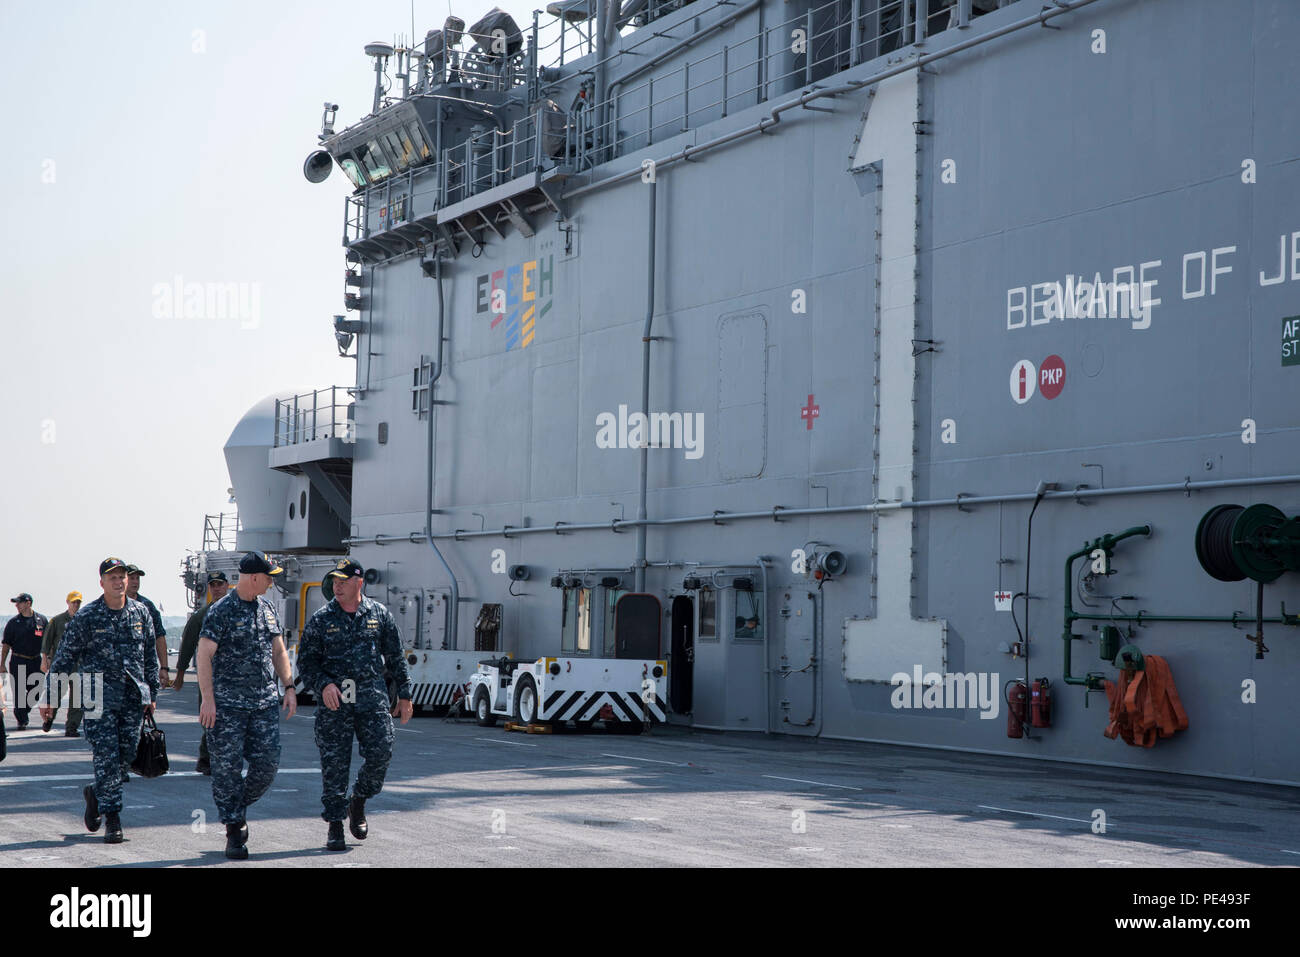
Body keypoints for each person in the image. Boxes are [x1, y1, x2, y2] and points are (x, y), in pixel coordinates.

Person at [297, 558, 412, 852]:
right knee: (334, 765)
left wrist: (405, 695)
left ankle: (358, 800)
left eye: (344, 581)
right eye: (335, 580)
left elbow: (396, 656)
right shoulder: (322, 619)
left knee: (381, 753)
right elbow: (306, 663)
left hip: (371, 697)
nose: (337, 585)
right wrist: (324, 685)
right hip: (336, 702)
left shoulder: (378, 615)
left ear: (359, 582)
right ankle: (335, 825)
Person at [43, 558, 159, 844]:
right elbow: (64, 658)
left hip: (132, 698)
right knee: (107, 757)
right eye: (113, 578)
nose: (119, 582)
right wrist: (50, 697)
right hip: (96, 698)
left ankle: (96, 793)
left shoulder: (141, 613)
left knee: (126, 757)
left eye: (122, 577)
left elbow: (149, 657)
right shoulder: (88, 616)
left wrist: (152, 693)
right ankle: (113, 818)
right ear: (102, 583)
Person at [197, 551, 296, 860]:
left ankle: (235, 809)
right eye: (269, 577)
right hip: (227, 708)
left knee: (268, 765)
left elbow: (279, 651)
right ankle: (234, 829)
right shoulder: (221, 611)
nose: (271, 582)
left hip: (264, 703)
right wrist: (208, 700)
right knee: (226, 771)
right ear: (254, 577)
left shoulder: (267, 609)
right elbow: (203, 656)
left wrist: (289, 686)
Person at [174, 570, 229, 773]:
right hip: (210, 676)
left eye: (219, 584)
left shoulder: (237, 611)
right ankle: (206, 758)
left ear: (226, 586)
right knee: (209, 718)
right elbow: (188, 644)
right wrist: (179, 674)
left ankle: (219, 758)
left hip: (233, 679)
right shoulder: (202, 615)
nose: (216, 588)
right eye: (213, 585)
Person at [3, 593, 49, 730]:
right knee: (19, 692)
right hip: (18, 660)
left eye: (19, 602)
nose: (17, 605)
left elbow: (47, 644)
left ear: (28, 603)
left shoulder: (41, 620)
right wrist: (1, 664)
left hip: (36, 660)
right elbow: (6, 645)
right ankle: (22, 719)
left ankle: (22, 711)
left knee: (36, 691)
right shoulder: (13, 623)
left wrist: (47, 661)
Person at [40, 591, 84, 735]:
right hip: (60, 663)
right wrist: (44, 660)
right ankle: (49, 719)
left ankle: (72, 727)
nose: (76, 605)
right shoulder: (57, 621)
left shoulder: (84, 620)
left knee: (77, 697)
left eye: (78, 602)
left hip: (78, 664)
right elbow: (47, 641)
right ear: (68, 602)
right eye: (73, 602)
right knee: (55, 694)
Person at [125, 565, 170, 690]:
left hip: (143, 674)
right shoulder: (112, 605)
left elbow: (159, 637)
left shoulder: (147, 606)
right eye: (131, 578)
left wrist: (164, 668)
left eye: (137, 579)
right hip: (117, 677)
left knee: (146, 708)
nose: (135, 582)